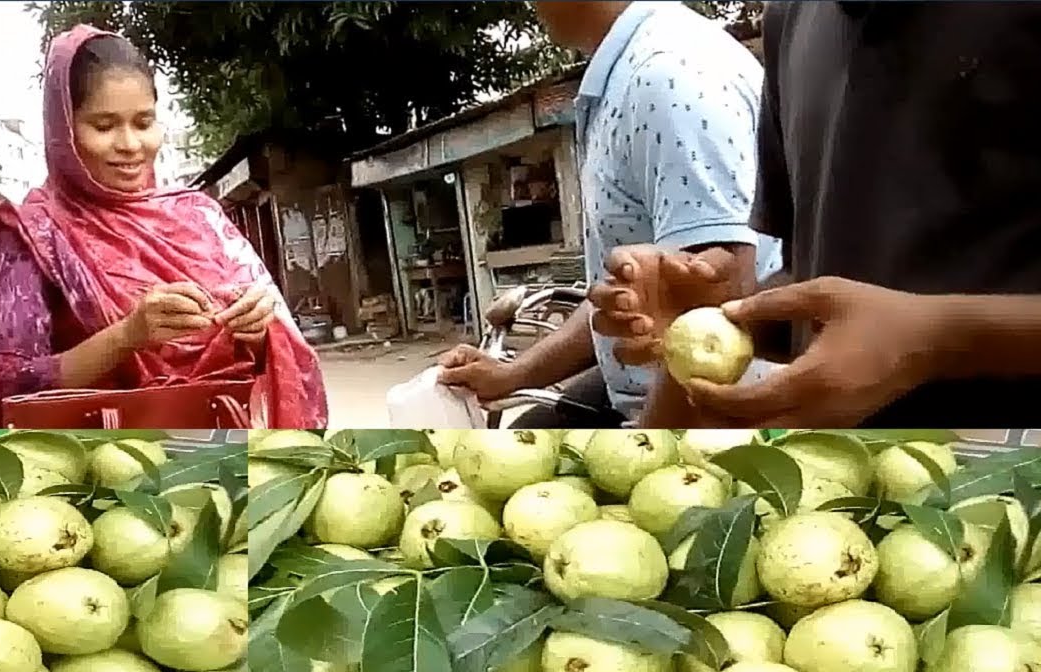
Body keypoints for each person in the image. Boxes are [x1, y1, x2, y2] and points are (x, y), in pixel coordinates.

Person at [597, 1, 1041, 428]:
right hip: (840, 476)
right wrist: (729, 314)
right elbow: (809, 272)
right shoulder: (790, 18)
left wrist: (941, 338)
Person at [437, 1, 780, 427]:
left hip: (714, 418)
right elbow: (635, 296)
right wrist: (511, 375)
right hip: (650, 394)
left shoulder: (668, 75)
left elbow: (713, 312)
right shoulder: (634, 71)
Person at [0, 25, 327, 428]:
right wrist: (127, 335)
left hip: (220, 454)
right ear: (63, 130)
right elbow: (9, 389)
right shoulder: (29, 234)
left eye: (143, 122)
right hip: (99, 466)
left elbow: (276, 353)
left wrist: (258, 329)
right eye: (104, 126)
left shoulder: (199, 217)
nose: (130, 144)